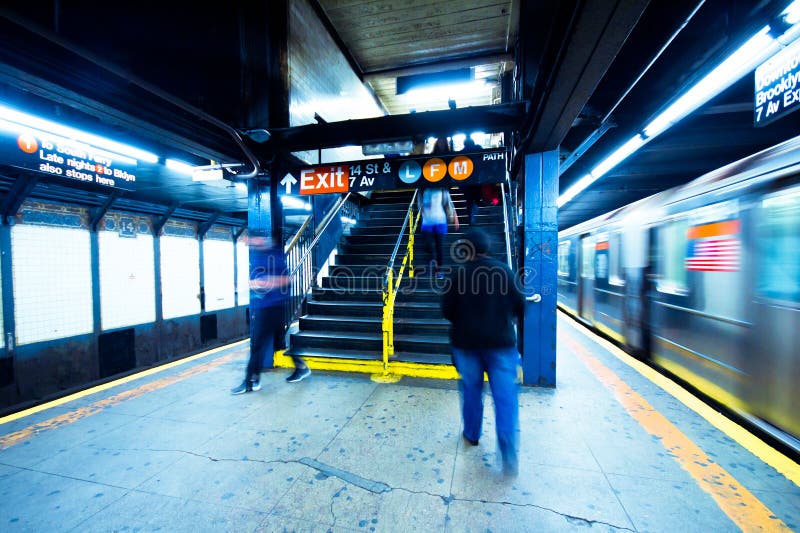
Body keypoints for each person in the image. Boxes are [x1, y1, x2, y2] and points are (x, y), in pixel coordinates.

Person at [442, 228, 525, 475]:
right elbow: (520, 306)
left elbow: (446, 311)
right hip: (501, 345)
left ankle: (472, 434)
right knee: (505, 398)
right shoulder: (504, 271)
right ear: (488, 247)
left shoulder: (458, 274)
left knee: (470, 392)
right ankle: (508, 449)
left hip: (466, 345)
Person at [418, 187, 458, 279]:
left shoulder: (442, 188)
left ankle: (439, 271)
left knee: (439, 247)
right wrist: (422, 210)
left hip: (440, 221)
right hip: (427, 222)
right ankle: (432, 264)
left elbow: (448, 203)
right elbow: (420, 203)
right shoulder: (422, 189)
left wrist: (455, 217)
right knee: (427, 245)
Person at [460, 137, 483, 225]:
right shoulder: (478, 148)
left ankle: (470, 218)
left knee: (469, 200)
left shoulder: (462, 152)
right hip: (477, 180)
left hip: (466, 181)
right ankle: (474, 214)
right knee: (475, 198)